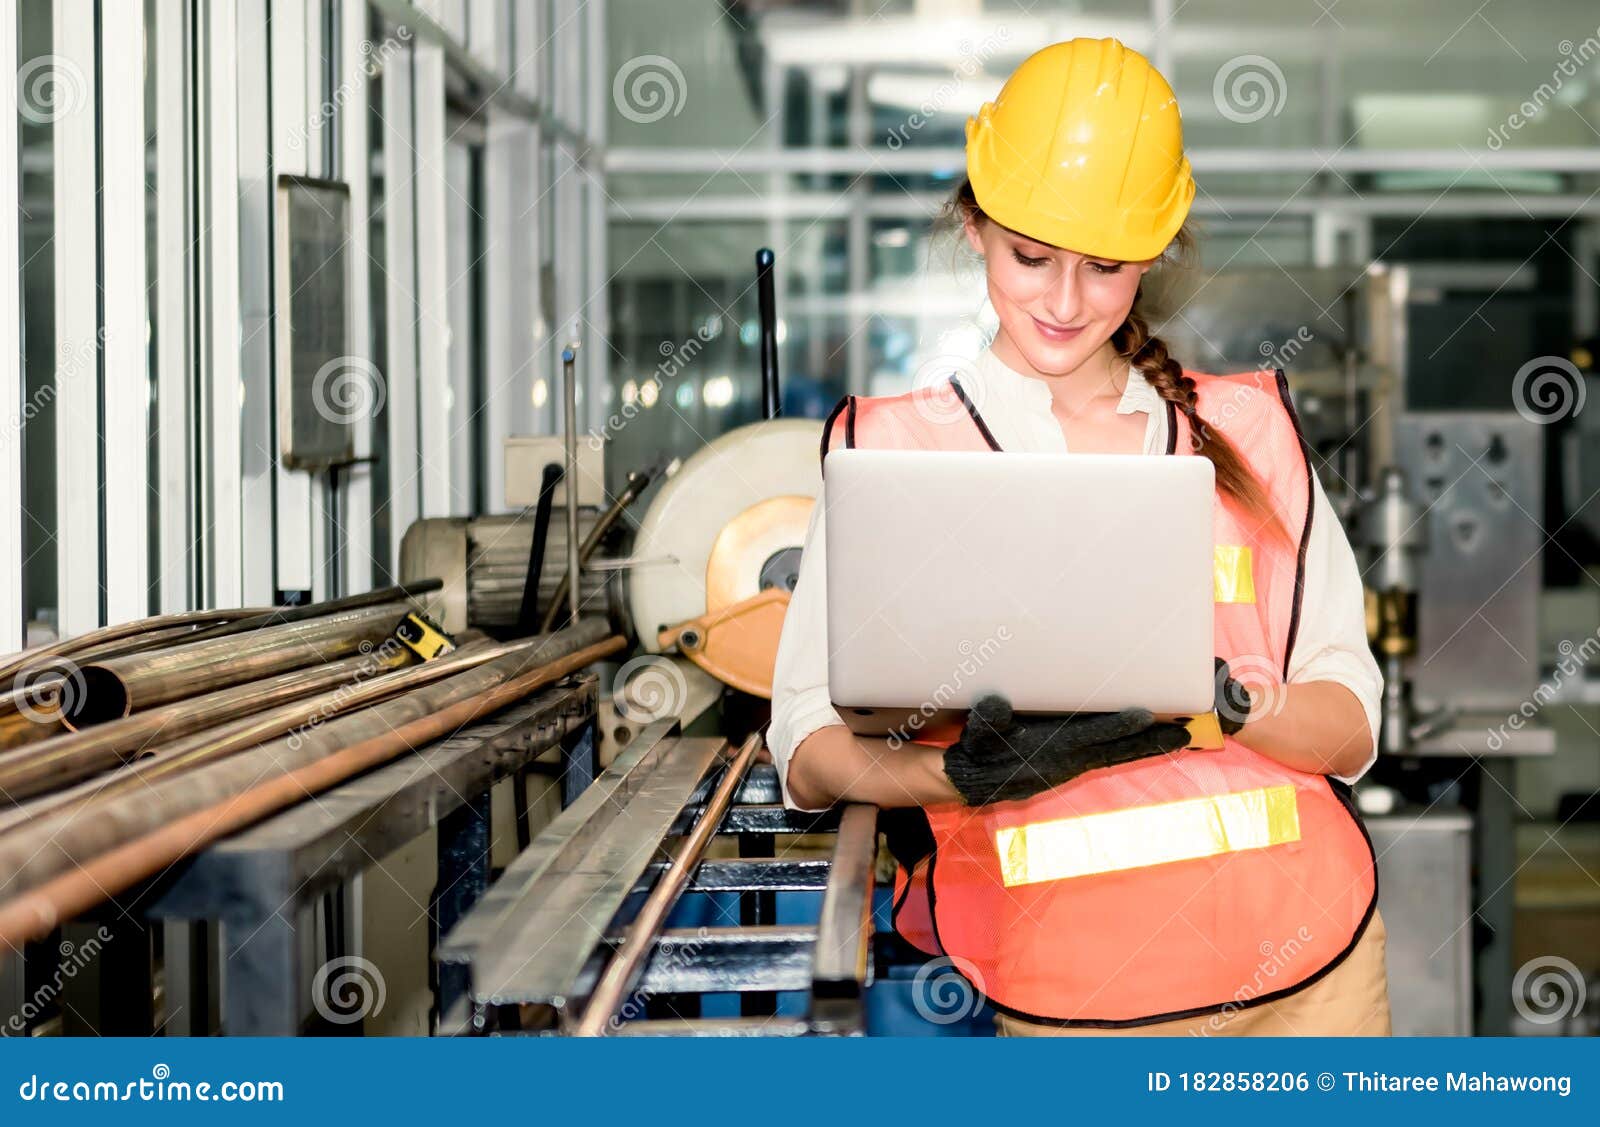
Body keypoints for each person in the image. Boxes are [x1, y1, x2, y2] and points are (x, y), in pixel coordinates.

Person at [766, 37, 1390, 1036]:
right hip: (1064, 986)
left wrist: (1235, 702)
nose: (1064, 301)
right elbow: (805, 744)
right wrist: (954, 776)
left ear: (1153, 254)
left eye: (1104, 267)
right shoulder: (894, 453)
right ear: (974, 224)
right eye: (1031, 257)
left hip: (1304, 964)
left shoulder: (1249, 434)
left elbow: (1351, 721)